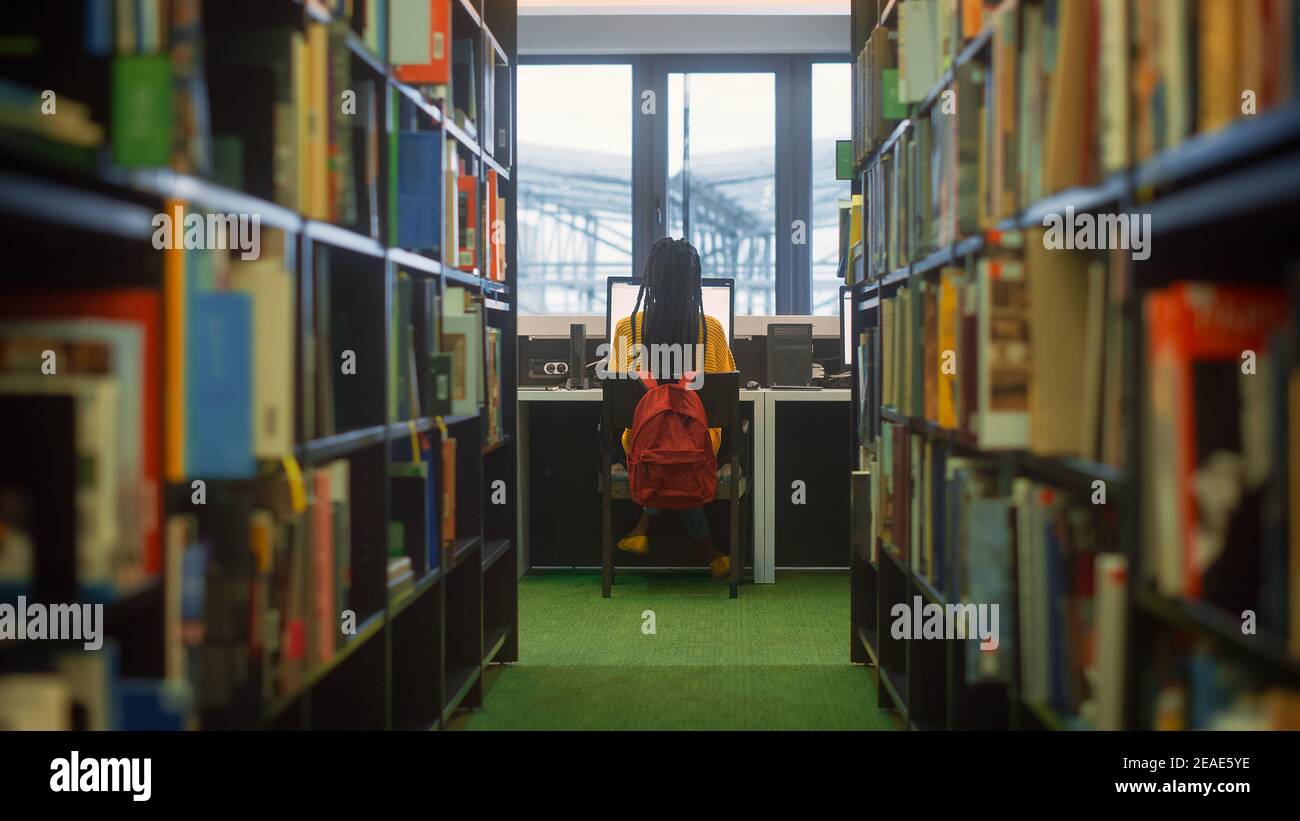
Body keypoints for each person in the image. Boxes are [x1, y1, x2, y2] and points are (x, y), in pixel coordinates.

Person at [609, 237, 737, 579]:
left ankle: (642, 527)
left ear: (649, 278)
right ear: (694, 282)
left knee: (658, 445)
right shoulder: (711, 328)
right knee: (685, 447)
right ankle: (710, 551)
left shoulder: (627, 327)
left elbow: (621, 394)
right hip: (700, 442)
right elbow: (726, 388)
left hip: (641, 442)